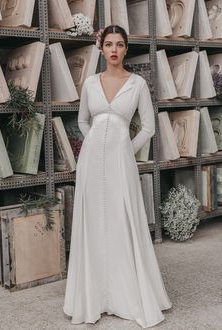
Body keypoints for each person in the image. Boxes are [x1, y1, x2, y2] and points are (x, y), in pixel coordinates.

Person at [63, 24, 172, 329]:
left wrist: (126, 149)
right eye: (108, 44)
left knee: (123, 221)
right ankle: (95, 297)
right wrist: (94, 144)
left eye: (119, 44)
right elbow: (83, 120)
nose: (113, 49)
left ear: (125, 48)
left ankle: (126, 295)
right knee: (94, 223)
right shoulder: (89, 83)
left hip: (121, 162)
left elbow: (149, 127)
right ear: (101, 48)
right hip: (90, 163)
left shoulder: (137, 84)